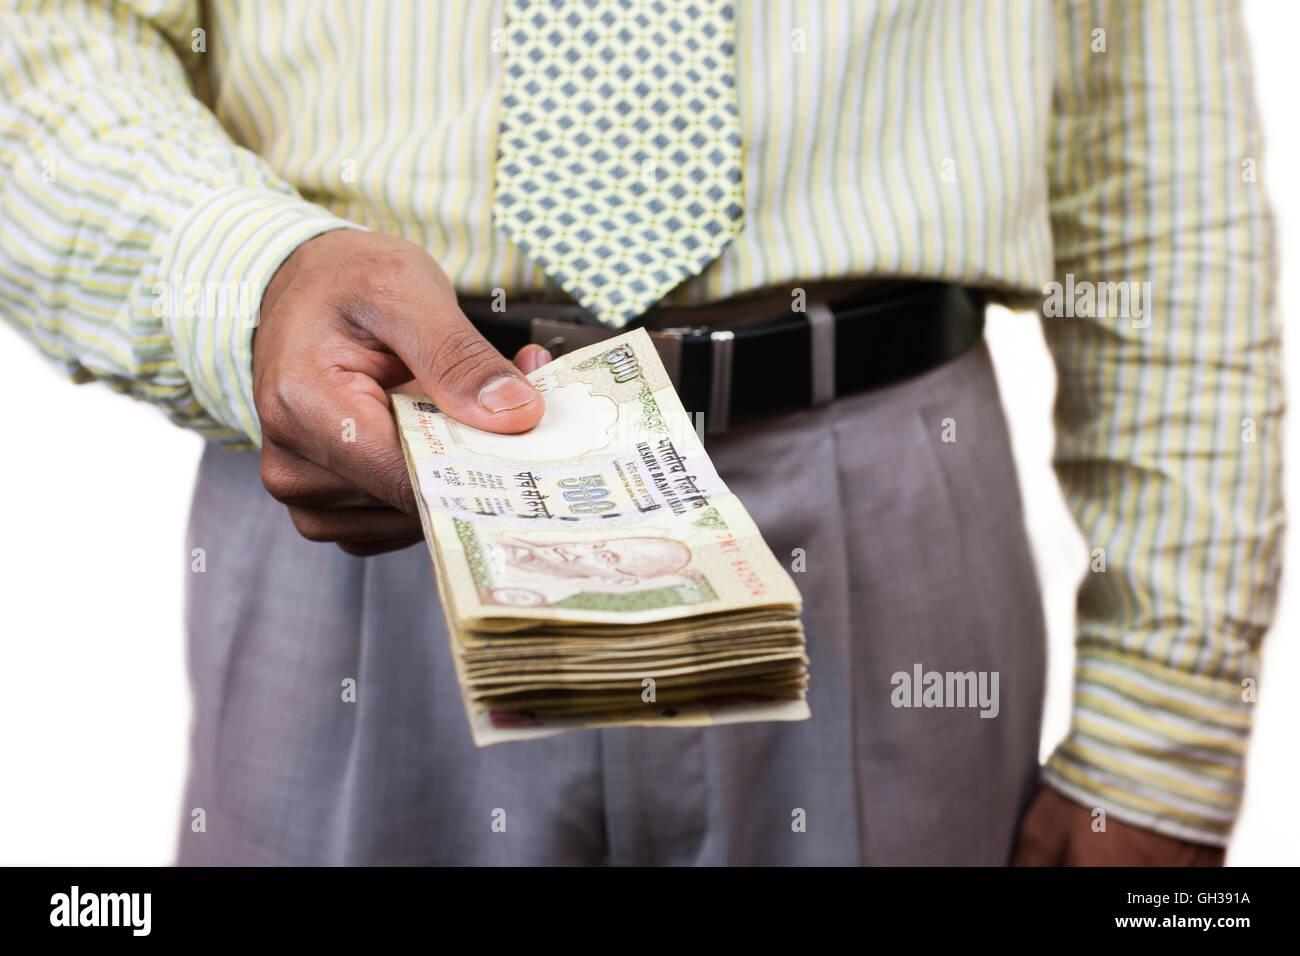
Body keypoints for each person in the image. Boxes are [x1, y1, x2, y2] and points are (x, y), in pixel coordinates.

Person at [0, 0, 1280, 865]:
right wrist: (253, 281)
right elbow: (48, 36)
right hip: (363, 488)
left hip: (885, 522)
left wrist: (1162, 727)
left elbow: (1150, 127)